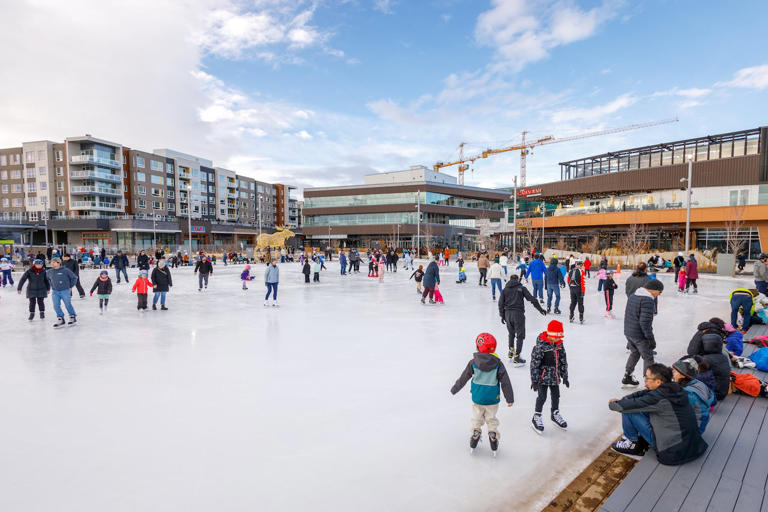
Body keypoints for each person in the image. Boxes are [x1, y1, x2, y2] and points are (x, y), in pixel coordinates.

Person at [608, 363, 708, 465]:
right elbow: (644, 394)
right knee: (639, 408)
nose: (645, 380)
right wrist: (624, 399)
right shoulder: (676, 388)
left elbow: (624, 407)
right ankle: (634, 439)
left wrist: (614, 404)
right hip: (693, 447)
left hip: (672, 452)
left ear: (658, 382)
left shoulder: (658, 398)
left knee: (630, 411)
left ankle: (633, 445)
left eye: (647, 378)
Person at [450, 333, 514, 455]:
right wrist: (509, 398)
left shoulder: (473, 362)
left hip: (478, 397)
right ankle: (493, 434)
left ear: (478, 347)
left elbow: (464, 377)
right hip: (492, 399)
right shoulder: (498, 364)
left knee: (477, 417)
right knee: (491, 419)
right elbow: (505, 382)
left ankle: (475, 434)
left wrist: (455, 389)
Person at [529, 320, 569, 434]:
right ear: (551, 335)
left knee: (556, 396)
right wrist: (535, 380)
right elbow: (534, 364)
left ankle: (555, 413)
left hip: (555, 376)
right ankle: (536, 416)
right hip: (543, 378)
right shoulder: (541, 346)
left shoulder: (559, 344)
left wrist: (564, 376)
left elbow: (563, 361)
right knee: (542, 397)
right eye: (557, 337)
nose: (558, 340)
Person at [622, 280, 664, 387]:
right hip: (639, 334)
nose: (659, 295)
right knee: (648, 357)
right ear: (654, 290)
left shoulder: (633, 296)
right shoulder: (648, 300)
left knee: (635, 352)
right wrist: (650, 339)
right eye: (659, 292)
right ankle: (649, 383)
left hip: (629, 331)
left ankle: (627, 375)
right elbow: (645, 323)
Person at [498, 274, 547, 364]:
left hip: (508, 314)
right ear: (517, 280)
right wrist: (540, 309)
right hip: (518, 314)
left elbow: (500, 303)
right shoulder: (521, 288)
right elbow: (532, 299)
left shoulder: (505, 290)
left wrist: (502, 315)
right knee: (520, 335)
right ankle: (517, 356)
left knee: (511, 333)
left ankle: (511, 351)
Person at [671, 358, 715, 434]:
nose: (672, 374)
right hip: (699, 426)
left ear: (682, 375)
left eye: (674, 371)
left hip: (691, 434)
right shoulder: (698, 383)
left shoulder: (689, 394)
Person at [47, 257, 78, 327]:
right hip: (55, 291)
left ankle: (72, 316)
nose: (52, 263)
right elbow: (47, 280)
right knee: (56, 305)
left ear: (58, 263)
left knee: (68, 304)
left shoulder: (65, 270)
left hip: (65, 291)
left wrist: (70, 286)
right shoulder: (49, 272)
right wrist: (49, 287)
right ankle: (60, 318)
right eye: (51, 262)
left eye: (54, 262)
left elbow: (74, 278)